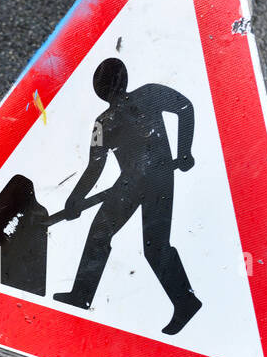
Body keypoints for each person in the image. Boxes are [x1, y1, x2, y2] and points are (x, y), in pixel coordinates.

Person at [53, 57, 202, 335]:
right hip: (129, 183)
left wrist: (184, 150)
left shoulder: (149, 95)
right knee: (100, 233)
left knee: (154, 245)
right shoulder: (104, 122)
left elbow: (185, 107)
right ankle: (80, 296)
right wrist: (74, 199)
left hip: (158, 176)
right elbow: (95, 167)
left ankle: (186, 301)